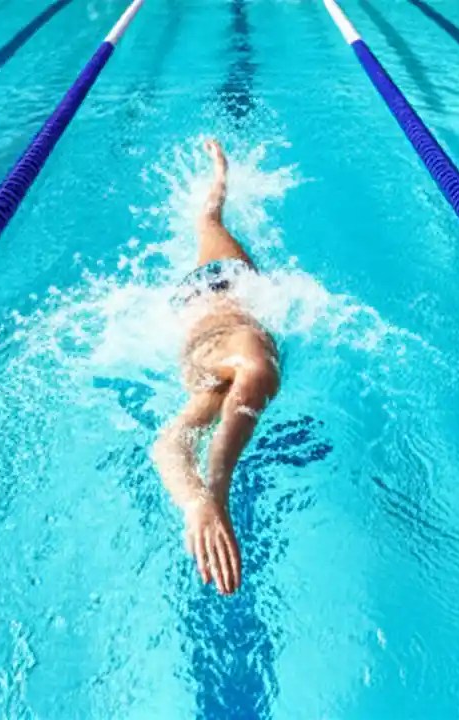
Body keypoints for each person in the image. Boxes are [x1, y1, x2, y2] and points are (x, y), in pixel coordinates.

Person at [152, 138, 280, 596]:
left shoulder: (226, 374)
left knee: (208, 218)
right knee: (254, 371)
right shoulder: (252, 361)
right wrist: (209, 499)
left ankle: (220, 173)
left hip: (213, 297)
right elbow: (169, 446)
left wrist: (199, 504)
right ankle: (220, 172)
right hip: (214, 298)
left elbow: (169, 444)